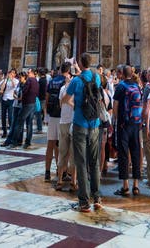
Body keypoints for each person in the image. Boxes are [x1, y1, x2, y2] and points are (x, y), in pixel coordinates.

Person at [62, 51, 102, 213]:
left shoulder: (75, 81)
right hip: (95, 123)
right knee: (94, 162)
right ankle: (97, 198)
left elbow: (65, 98)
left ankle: (84, 202)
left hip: (80, 123)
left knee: (81, 162)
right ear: (91, 63)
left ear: (80, 62)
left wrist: (74, 105)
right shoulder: (96, 77)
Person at [112, 64, 143, 196]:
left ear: (122, 74)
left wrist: (115, 121)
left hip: (124, 124)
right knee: (136, 153)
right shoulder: (137, 86)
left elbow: (115, 106)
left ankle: (125, 186)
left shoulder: (120, 86)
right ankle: (136, 185)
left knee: (124, 154)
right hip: (136, 123)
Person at [55, 62, 77, 192]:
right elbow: (62, 103)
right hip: (67, 121)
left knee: (69, 153)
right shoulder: (64, 88)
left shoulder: (68, 88)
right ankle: (64, 180)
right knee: (66, 152)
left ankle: (67, 180)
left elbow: (62, 103)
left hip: (70, 122)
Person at [44, 64, 67, 181]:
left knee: (50, 144)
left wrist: (46, 113)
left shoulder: (52, 81)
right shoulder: (66, 82)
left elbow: (47, 97)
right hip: (62, 116)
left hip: (52, 114)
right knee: (60, 145)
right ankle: (60, 172)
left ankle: (47, 172)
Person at [0, 68, 17, 139]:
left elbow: (13, 86)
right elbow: (2, 88)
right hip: (4, 99)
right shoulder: (6, 80)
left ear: (15, 74)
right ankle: (4, 132)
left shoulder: (16, 80)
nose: (11, 74)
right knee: (3, 116)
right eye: (10, 72)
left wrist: (11, 79)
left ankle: (11, 131)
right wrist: (6, 79)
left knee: (10, 116)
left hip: (11, 99)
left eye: (13, 73)